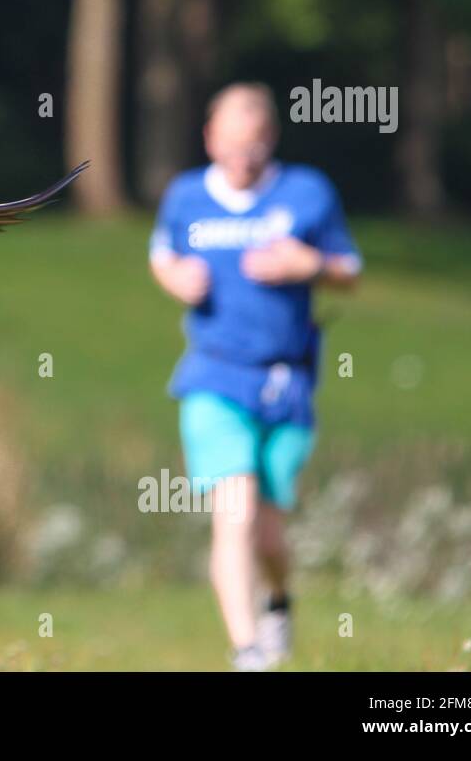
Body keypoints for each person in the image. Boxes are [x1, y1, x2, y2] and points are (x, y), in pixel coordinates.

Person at [148, 82, 361, 670]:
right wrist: (176, 279)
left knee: (268, 537)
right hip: (213, 376)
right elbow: (161, 253)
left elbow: (350, 270)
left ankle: (278, 602)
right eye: (231, 144)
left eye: (255, 145)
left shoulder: (307, 194)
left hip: (287, 384)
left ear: (272, 140)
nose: (243, 158)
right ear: (210, 138)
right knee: (233, 513)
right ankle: (247, 652)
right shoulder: (186, 197)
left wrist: (309, 264)